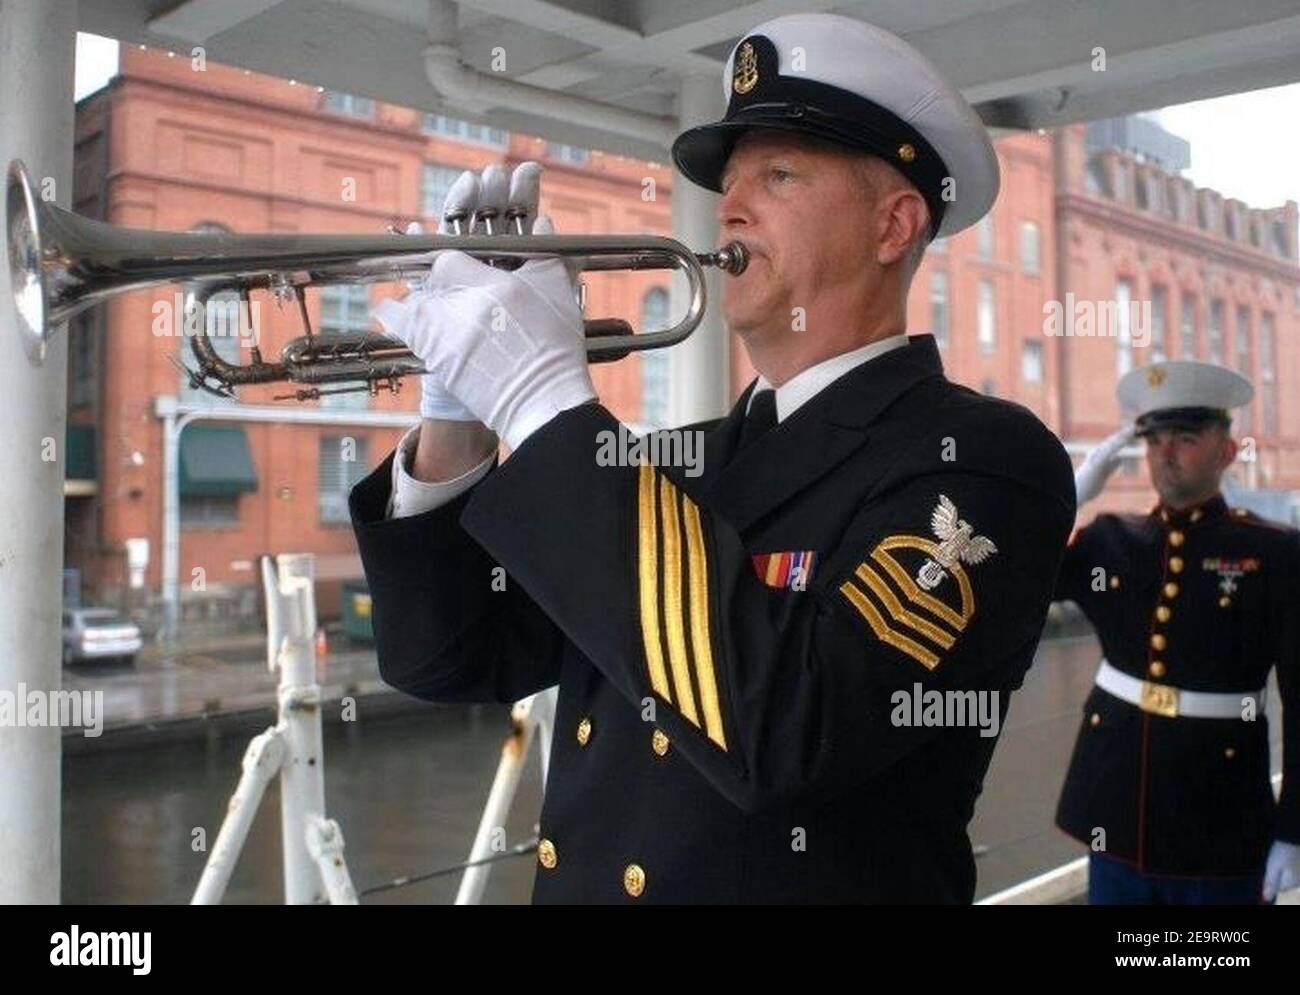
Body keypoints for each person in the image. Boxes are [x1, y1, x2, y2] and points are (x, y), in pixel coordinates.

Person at [349, 12, 1075, 903]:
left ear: (894, 225)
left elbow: (789, 729)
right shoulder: (670, 461)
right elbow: (444, 659)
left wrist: (541, 399)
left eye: (777, 174)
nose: (726, 207)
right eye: (727, 183)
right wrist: (457, 413)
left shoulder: (984, 464)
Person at [1054, 359, 1300, 904]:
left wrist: (1294, 828)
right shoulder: (1110, 539)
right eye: (1156, 439)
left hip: (1221, 821)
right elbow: (1011, 580)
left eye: (1186, 438)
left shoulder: (1277, 554)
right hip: (1117, 814)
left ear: (1227, 452)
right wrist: (1064, 499)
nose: (1165, 454)